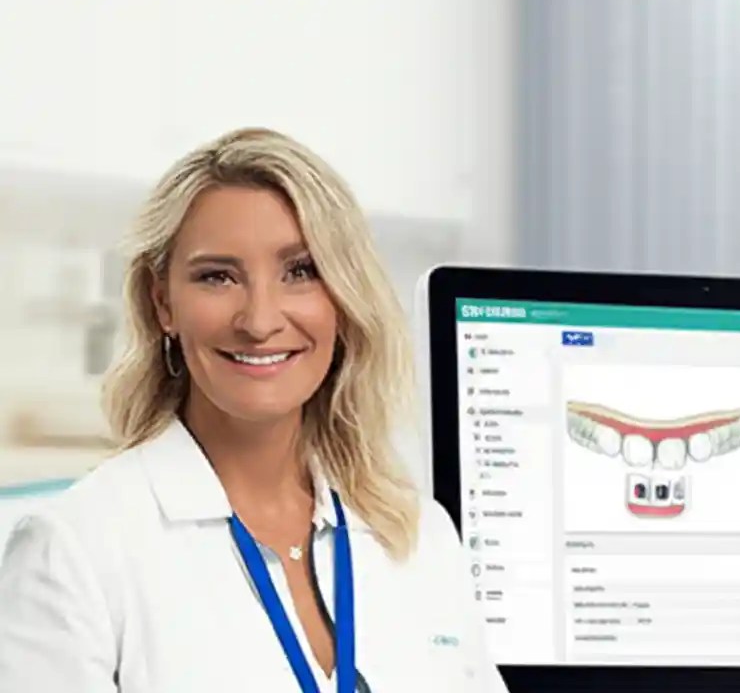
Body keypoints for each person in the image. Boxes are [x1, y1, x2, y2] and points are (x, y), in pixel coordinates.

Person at [0, 128, 507, 692]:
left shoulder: (418, 537)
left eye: (301, 271)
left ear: (343, 295)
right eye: (218, 277)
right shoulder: (75, 552)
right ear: (162, 301)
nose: (260, 320)